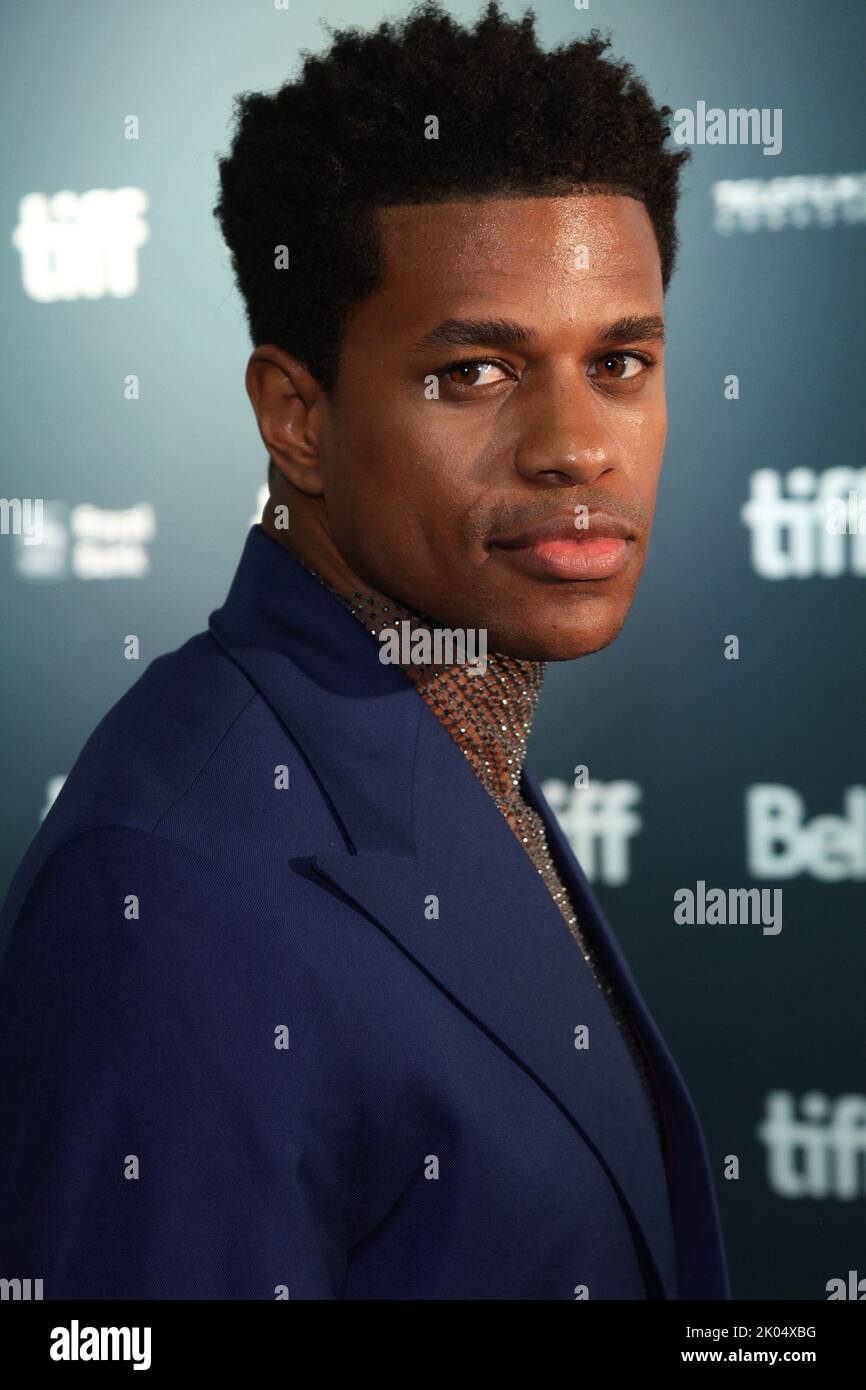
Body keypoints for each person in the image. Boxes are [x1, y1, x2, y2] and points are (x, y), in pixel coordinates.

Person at [0, 1, 729, 1299]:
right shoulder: (167, 892)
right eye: (475, 373)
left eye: (620, 360)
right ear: (296, 416)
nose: (577, 447)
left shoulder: (449, 733)